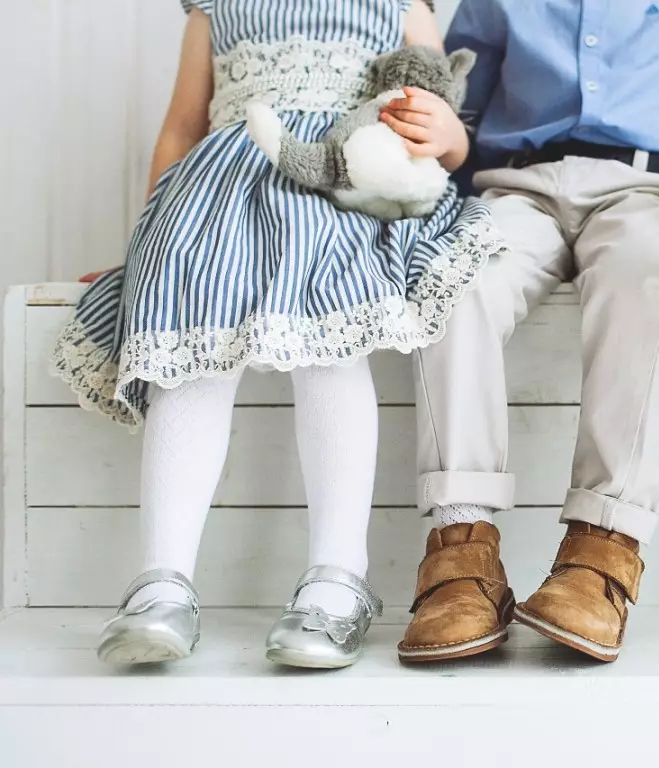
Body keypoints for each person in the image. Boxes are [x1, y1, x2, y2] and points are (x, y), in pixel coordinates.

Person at [53, 0, 493, 669]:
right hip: (222, 187)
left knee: (330, 350)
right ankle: (162, 581)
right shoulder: (213, 7)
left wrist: (447, 137)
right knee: (192, 349)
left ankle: (337, 578)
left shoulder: (403, 5)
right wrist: (146, 236)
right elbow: (182, 126)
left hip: (339, 185)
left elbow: (445, 124)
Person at [384, 0, 659, 663]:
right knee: (455, 283)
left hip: (649, 187)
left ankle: (602, 549)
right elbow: (461, 98)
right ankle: (462, 550)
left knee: (647, 281)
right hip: (516, 187)